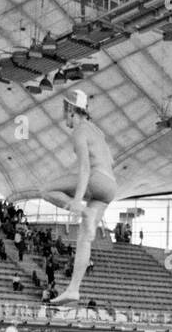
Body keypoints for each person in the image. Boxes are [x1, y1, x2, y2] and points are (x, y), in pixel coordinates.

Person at [14, 89, 116, 305]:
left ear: (71, 109)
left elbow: (85, 169)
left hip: (95, 179)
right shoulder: (97, 131)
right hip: (110, 187)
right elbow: (109, 160)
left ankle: (84, 211)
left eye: (64, 111)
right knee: (85, 237)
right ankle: (73, 289)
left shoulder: (80, 130)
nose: (63, 116)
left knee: (46, 190)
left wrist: (77, 201)